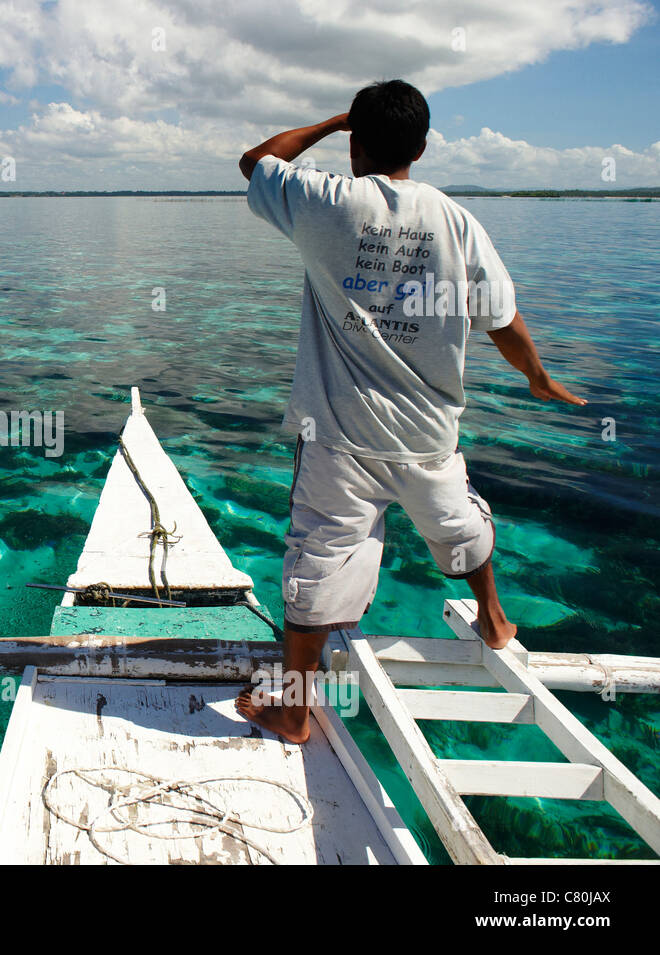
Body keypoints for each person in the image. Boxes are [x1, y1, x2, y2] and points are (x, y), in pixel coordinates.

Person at [233, 79, 586, 744]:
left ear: (355, 145)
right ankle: (494, 618)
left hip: (339, 438)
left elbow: (257, 160)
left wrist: (332, 122)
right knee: (459, 525)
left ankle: (297, 713)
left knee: (317, 563)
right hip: (429, 435)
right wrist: (537, 376)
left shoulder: (324, 201)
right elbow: (501, 319)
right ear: (421, 148)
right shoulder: (457, 221)